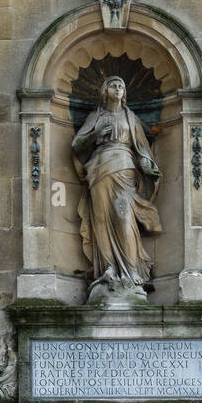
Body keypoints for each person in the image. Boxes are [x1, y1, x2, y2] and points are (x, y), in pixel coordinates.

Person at [71, 74, 162, 301]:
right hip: (99, 169)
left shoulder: (130, 117)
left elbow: (141, 149)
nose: (118, 88)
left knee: (124, 219)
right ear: (105, 91)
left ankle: (131, 270)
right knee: (100, 220)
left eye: (121, 85)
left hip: (124, 167)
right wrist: (95, 133)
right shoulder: (96, 116)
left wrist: (149, 168)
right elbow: (76, 144)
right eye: (113, 85)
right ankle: (108, 268)